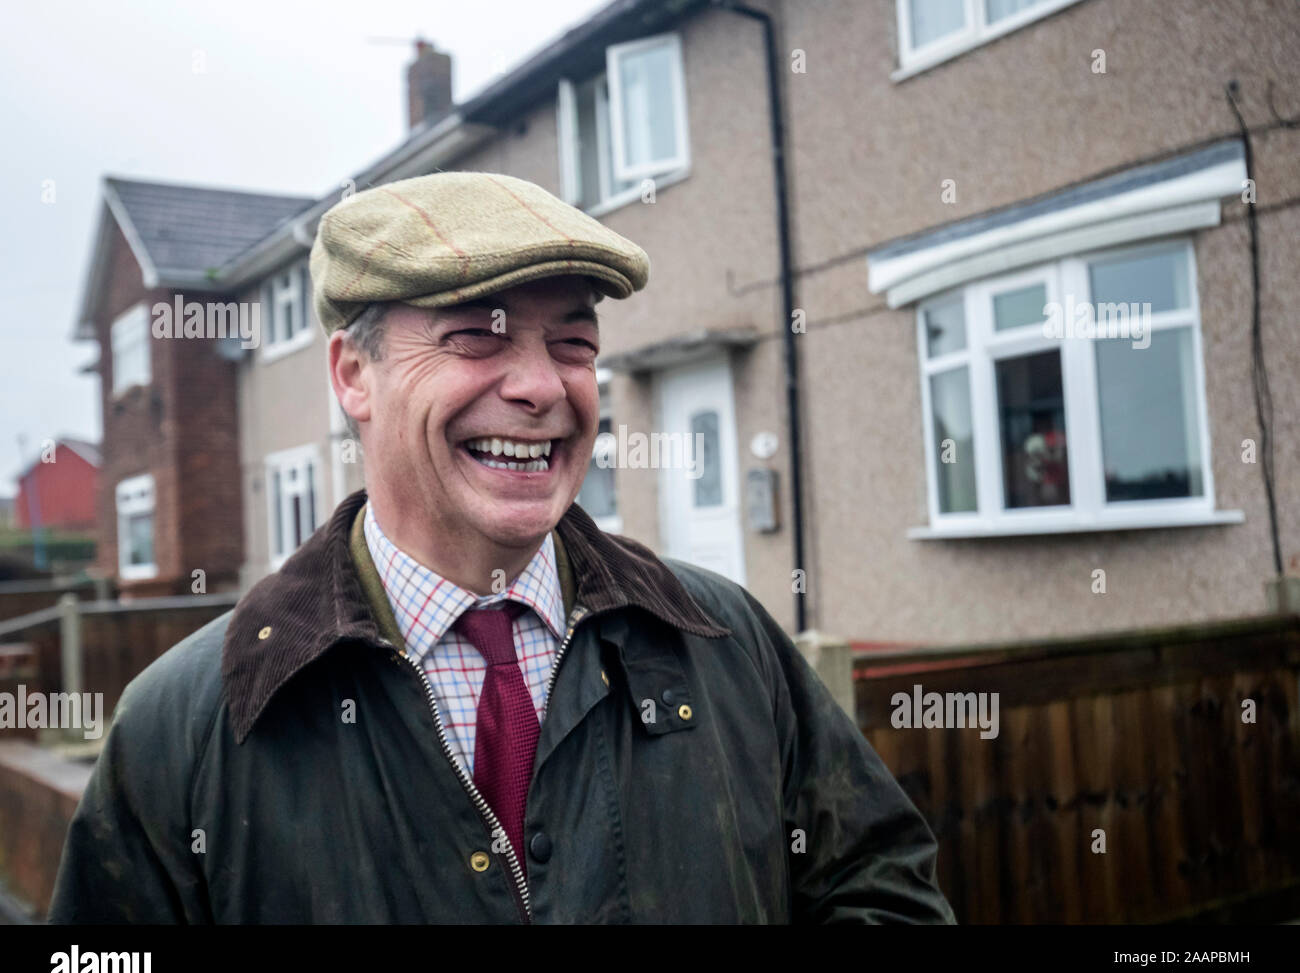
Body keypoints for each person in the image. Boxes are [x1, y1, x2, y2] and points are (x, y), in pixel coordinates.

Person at [49, 171, 956, 924]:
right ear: (353, 375)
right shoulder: (187, 724)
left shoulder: (724, 641)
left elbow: (883, 886)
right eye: (475, 337)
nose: (539, 386)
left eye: (572, 342)